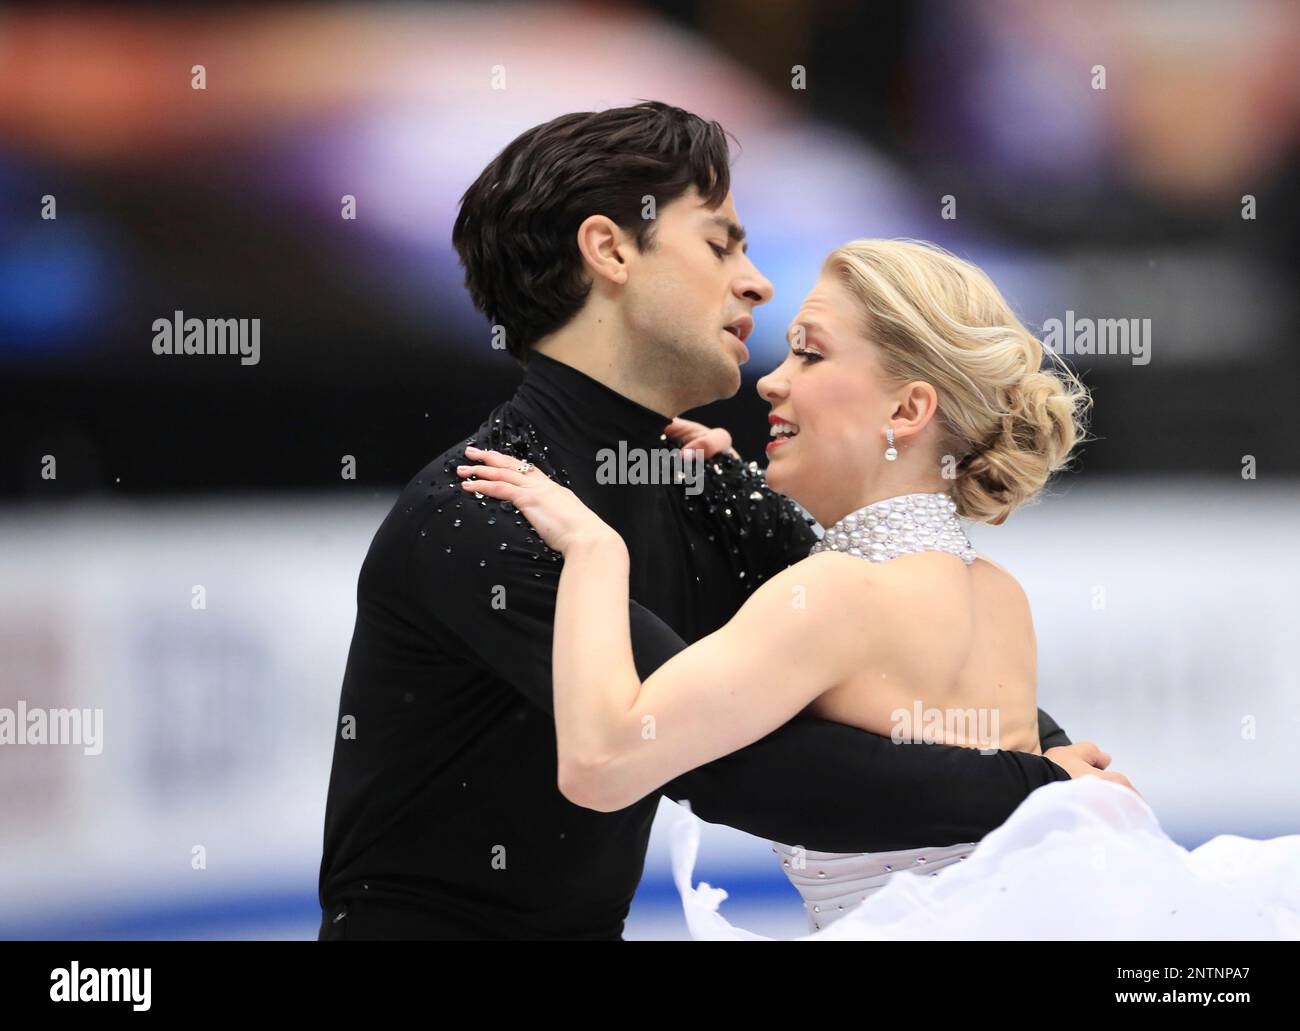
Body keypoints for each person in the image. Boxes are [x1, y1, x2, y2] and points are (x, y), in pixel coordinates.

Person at [317, 103, 1104, 941]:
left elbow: (897, 671)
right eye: (720, 244)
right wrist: (1038, 783)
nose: (756, 282)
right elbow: (743, 767)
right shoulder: (487, 505)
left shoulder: (701, 492)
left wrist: (1040, 748)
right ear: (611, 250)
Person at [455, 238, 1299, 941]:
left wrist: (594, 556)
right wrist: (742, 496)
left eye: (809, 353)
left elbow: (602, 763)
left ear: (908, 410)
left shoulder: (835, 597)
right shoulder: (996, 596)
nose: (770, 382)